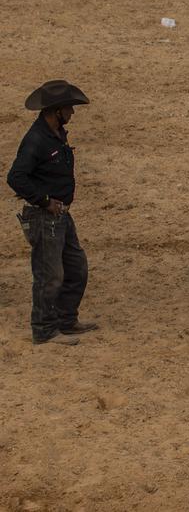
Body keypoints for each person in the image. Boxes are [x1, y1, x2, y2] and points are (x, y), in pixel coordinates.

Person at [8, 81, 95, 346]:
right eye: (68, 107)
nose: (72, 112)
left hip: (59, 215)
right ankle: (45, 329)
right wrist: (45, 201)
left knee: (75, 268)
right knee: (50, 274)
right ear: (56, 110)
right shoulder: (37, 139)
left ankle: (65, 320)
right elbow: (16, 177)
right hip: (45, 216)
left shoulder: (53, 134)